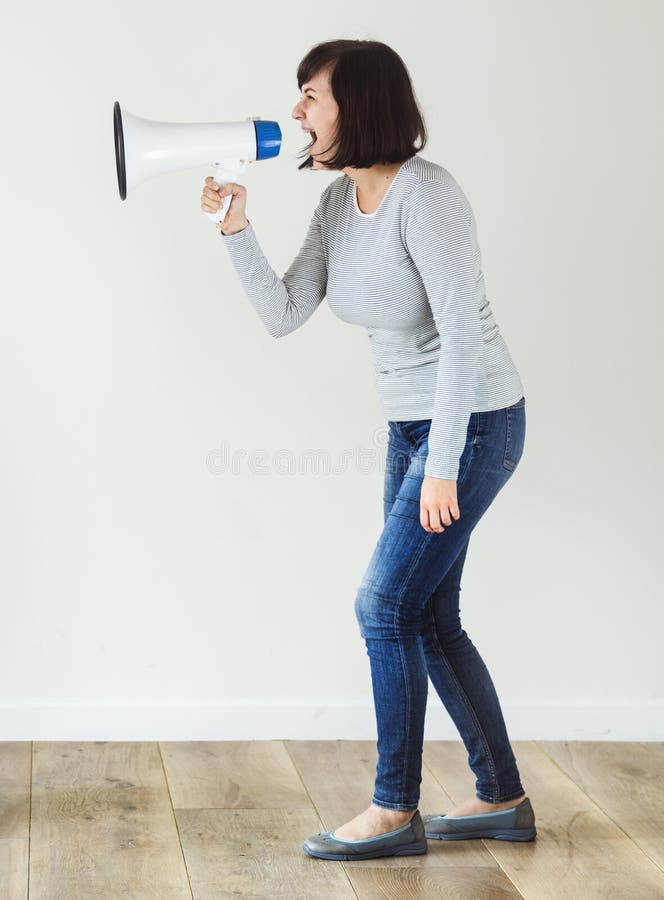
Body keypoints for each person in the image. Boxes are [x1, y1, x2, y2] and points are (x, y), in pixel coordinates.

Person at [201, 39, 536, 861]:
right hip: (412, 426)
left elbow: (462, 337)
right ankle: (502, 797)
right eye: (300, 96)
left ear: (361, 105)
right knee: (424, 614)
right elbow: (284, 313)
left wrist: (447, 463)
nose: (295, 113)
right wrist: (236, 227)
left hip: (477, 420)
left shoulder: (429, 195)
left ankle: (394, 808)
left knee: (382, 607)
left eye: (310, 95)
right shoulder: (336, 207)